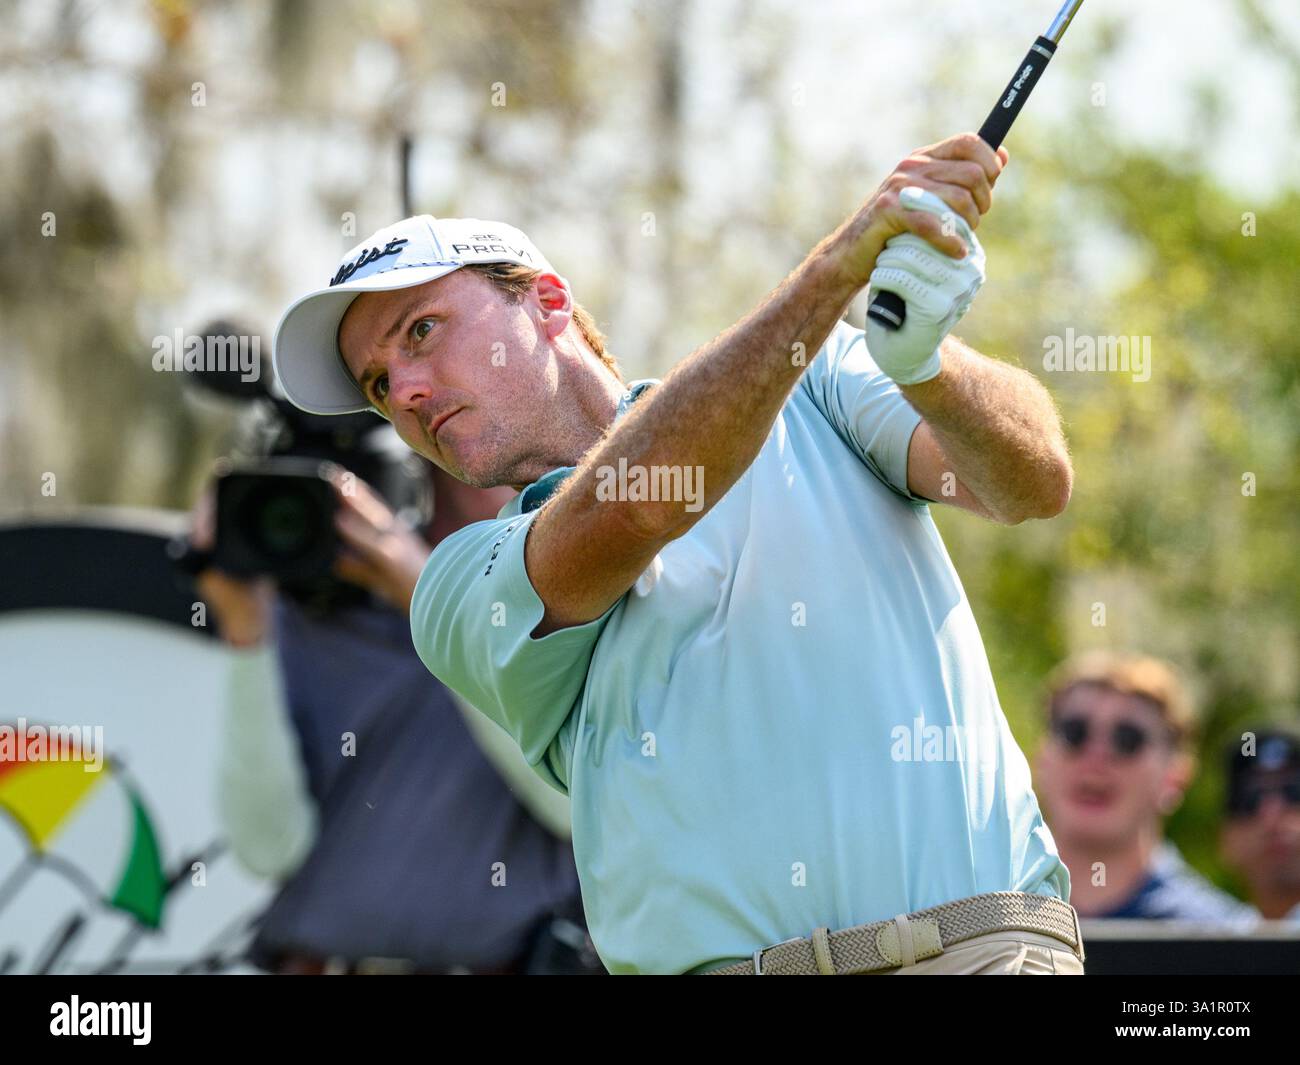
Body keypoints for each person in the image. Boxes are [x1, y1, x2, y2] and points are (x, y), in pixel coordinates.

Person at [273, 132, 1086, 975]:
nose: (403, 393)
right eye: (376, 384)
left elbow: (1029, 484)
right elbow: (644, 500)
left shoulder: (824, 377)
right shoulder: (454, 584)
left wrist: (925, 368)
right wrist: (835, 271)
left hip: (978, 955)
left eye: (422, 331)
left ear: (548, 302)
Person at [190, 456, 603, 973]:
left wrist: (426, 598)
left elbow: (575, 810)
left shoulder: (568, 604)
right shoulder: (294, 610)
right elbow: (266, 851)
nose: (498, 483)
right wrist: (247, 634)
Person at [1034, 651, 1256, 925]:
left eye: (1127, 739)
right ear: (1041, 759)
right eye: (1074, 732)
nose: (1097, 755)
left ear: (1175, 776)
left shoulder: (1222, 939)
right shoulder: (988, 916)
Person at [1220, 727, 1300, 922]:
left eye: (1293, 792)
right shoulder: (1211, 936)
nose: (1271, 815)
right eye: (1250, 799)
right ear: (1224, 838)